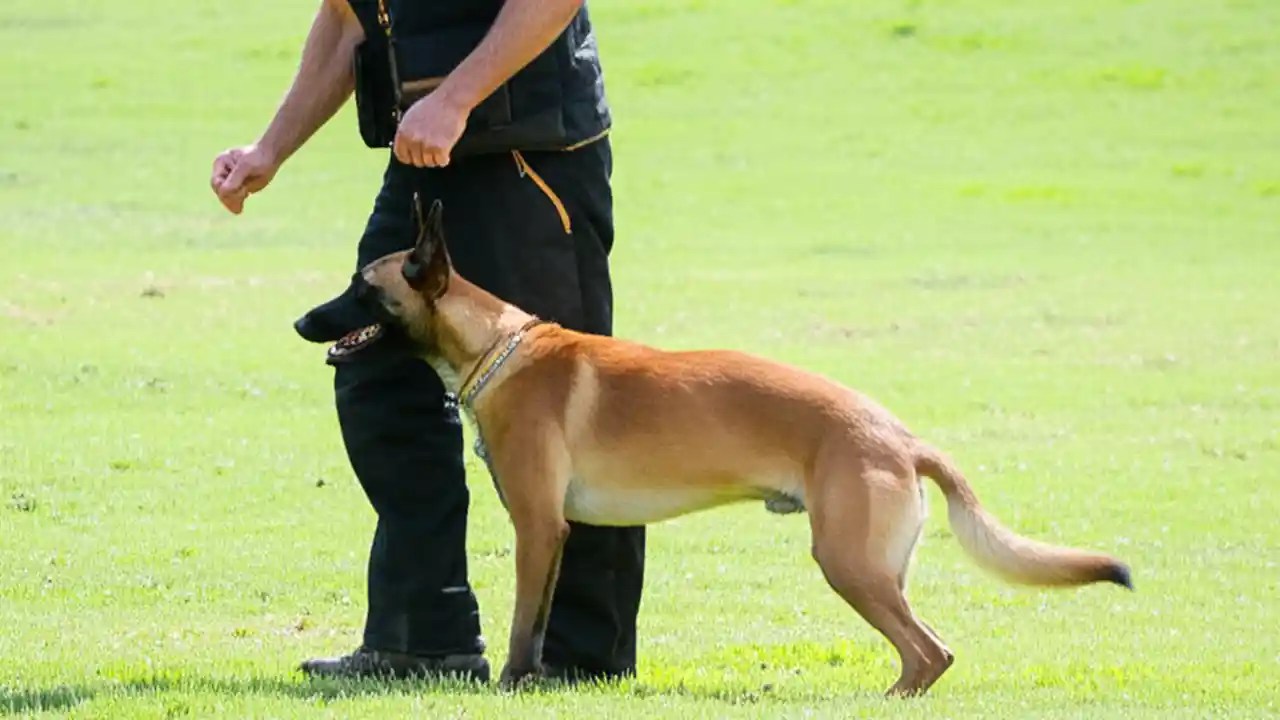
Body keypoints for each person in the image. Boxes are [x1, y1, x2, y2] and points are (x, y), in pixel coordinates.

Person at [209, 0, 644, 683]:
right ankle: (424, 638)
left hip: (528, 155)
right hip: (422, 152)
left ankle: (581, 657)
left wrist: (456, 97)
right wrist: (271, 148)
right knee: (376, 371)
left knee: (564, 405)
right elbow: (347, 17)